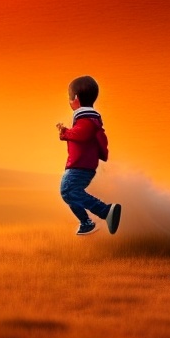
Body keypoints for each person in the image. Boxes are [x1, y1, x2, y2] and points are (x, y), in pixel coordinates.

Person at [56, 74, 121, 236]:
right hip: (81, 164)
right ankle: (86, 223)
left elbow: (81, 134)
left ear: (76, 98)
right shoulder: (89, 118)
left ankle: (105, 211)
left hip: (80, 165)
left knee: (68, 191)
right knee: (69, 193)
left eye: (69, 98)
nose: (69, 102)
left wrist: (65, 133)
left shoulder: (86, 119)